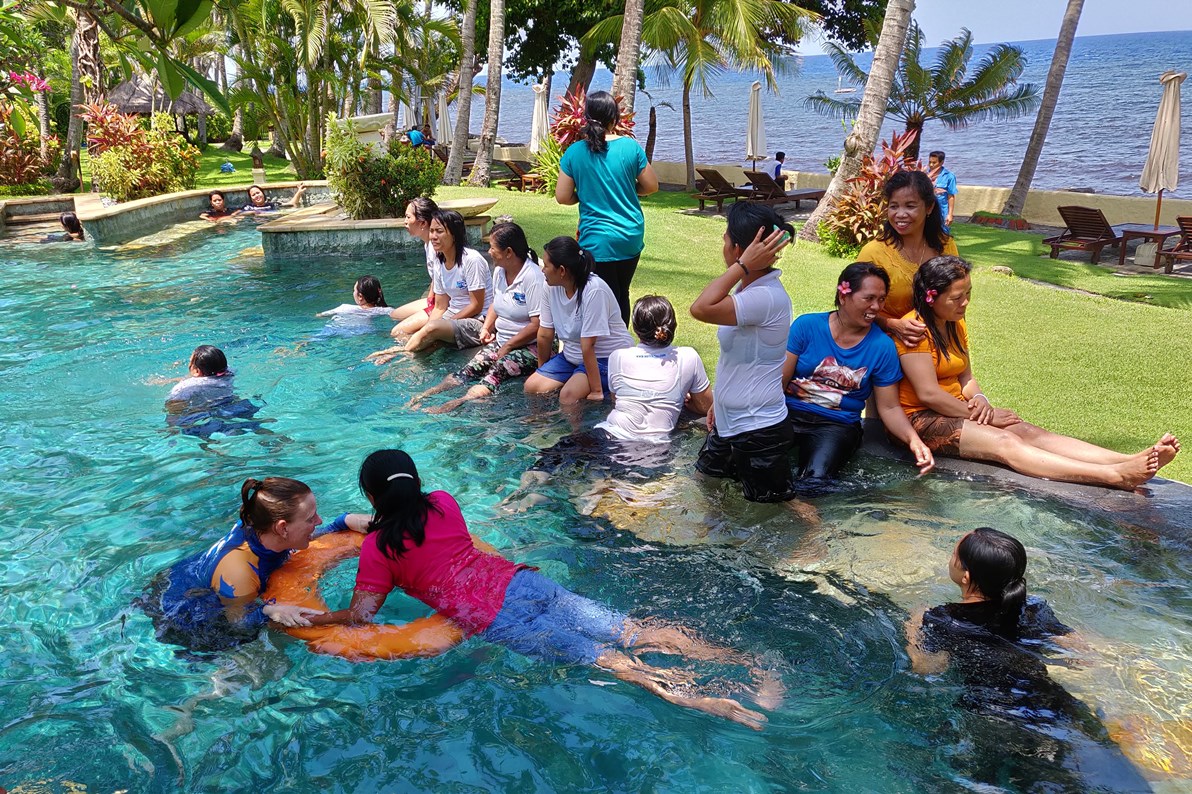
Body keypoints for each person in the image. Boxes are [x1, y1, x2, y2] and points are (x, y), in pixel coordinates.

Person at [307, 449, 781, 729]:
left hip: (496, 618)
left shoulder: (378, 550)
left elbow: (362, 616)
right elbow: (412, 523)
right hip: (523, 582)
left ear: (372, 496)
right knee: (632, 630)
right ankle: (750, 666)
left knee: (604, 658)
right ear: (417, 482)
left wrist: (315, 618)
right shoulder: (444, 502)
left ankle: (695, 698)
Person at [895, 256, 1180, 490]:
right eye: (957, 297)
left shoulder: (954, 322)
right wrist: (986, 417)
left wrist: (980, 399)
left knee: (1029, 431)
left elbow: (966, 377)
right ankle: (1114, 476)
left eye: (968, 293)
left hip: (958, 408)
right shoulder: (916, 330)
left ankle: (1126, 459)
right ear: (931, 298)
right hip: (920, 419)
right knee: (1006, 442)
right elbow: (928, 394)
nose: (965, 303)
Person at [905, 527, 1152, 791]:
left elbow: (926, 668)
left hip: (993, 718)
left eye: (954, 555)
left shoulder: (942, 619)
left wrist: (913, 625)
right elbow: (1081, 654)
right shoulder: (1033, 607)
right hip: (1054, 704)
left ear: (966, 577)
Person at [148, 476, 364, 650]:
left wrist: (341, 523)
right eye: (311, 518)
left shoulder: (262, 525)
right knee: (270, 664)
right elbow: (237, 623)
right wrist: (267, 612)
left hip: (182, 576)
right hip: (180, 616)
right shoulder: (240, 573)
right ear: (282, 527)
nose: (319, 521)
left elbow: (297, 539)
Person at [525, 295, 713, 483]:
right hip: (651, 451)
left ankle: (527, 488)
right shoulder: (688, 356)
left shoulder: (619, 356)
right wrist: (685, 399)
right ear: (673, 325)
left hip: (605, 436)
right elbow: (707, 407)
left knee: (553, 458)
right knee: (610, 489)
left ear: (636, 329)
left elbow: (617, 400)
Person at [781, 262, 934, 486]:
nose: (876, 307)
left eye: (881, 299)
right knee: (745, 462)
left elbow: (889, 407)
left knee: (814, 482)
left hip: (835, 425)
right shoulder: (807, 326)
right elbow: (778, 381)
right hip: (787, 413)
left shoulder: (882, 347)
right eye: (868, 298)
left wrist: (914, 441)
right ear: (843, 296)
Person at [690, 202, 796, 503]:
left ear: (739, 249)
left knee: (776, 512)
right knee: (705, 487)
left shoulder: (766, 297)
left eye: (726, 240)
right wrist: (719, 401)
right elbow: (740, 358)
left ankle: (813, 532)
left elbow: (700, 308)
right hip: (730, 421)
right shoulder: (748, 291)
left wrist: (742, 266)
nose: (722, 246)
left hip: (758, 430)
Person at [411, 222, 546, 413]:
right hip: (503, 341)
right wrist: (486, 328)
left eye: (492, 247)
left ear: (508, 252)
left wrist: (508, 346)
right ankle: (426, 395)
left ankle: (455, 404)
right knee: (468, 370)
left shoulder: (533, 277)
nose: (489, 252)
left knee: (495, 373)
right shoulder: (500, 271)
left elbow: (537, 325)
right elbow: (495, 304)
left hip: (530, 346)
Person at [555, 90, 659, 326]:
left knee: (601, 299)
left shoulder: (574, 152)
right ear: (615, 118)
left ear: (586, 117)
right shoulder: (630, 148)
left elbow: (562, 196)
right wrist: (630, 190)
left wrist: (583, 195)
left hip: (596, 240)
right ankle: (621, 342)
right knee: (622, 292)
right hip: (630, 235)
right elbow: (651, 186)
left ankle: (606, 346)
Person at [368, 209, 493, 361]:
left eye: (439, 231)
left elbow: (476, 306)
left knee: (431, 330)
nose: (433, 236)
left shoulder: (472, 260)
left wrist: (438, 325)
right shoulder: (439, 262)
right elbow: (440, 306)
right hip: (452, 315)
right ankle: (405, 356)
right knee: (407, 333)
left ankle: (396, 352)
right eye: (432, 231)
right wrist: (427, 329)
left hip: (478, 321)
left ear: (454, 235)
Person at [522, 236, 634, 404]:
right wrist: (542, 369)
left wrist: (596, 391)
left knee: (568, 395)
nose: (542, 270)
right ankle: (545, 420)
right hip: (572, 356)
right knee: (532, 387)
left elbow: (588, 345)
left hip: (605, 358)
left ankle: (583, 421)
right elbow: (545, 333)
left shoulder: (594, 290)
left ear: (562, 271)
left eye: (546, 266)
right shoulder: (549, 287)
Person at [856, 170, 959, 347]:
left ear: (929, 207)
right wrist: (891, 324)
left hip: (939, 345)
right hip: (886, 347)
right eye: (894, 206)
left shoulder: (945, 246)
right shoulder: (873, 253)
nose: (900, 214)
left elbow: (958, 298)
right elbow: (854, 308)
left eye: (910, 206)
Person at [164, 345, 263, 438]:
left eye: (190, 362)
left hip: (205, 415)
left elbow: (173, 407)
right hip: (233, 405)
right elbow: (207, 379)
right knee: (253, 425)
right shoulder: (229, 372)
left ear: (197, 371)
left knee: (201, 435)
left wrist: (171, 427)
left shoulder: (184, 388)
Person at [388, 197, 440, 335]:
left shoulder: (437, 247)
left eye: (408, 217)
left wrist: (432, 310)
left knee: (398, 332)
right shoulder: (428, 244)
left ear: (422, 223)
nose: (405, 221)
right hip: (436, 300)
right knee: (394, 315)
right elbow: (436, 278)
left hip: (445, 304)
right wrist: (430, 299)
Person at [313, 276, 392, 338]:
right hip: (365, 331)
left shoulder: (344, 308)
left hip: (338, 328)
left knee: (318, 337)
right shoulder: (385, 310)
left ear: (360, 296)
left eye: (354, 290)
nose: (353, 292)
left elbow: (320, 315)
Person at [927, 151, 957, 235]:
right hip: (927, 211)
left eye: (934, 163)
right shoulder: (924, 175)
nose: (931, 165)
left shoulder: (949, 176)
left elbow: (950, 196)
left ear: (941, 162)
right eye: (930, 162)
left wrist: (950, 214)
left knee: (943, 235)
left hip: (942, 211)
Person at [239, 183, 307, 214]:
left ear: (263, 194)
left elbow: (291, 204)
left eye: (258, 193)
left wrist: (299, 192)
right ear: (251, 198)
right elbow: (238, 213)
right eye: (253, 195)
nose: (257, 196)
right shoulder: (248, 207)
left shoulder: (272, 205)